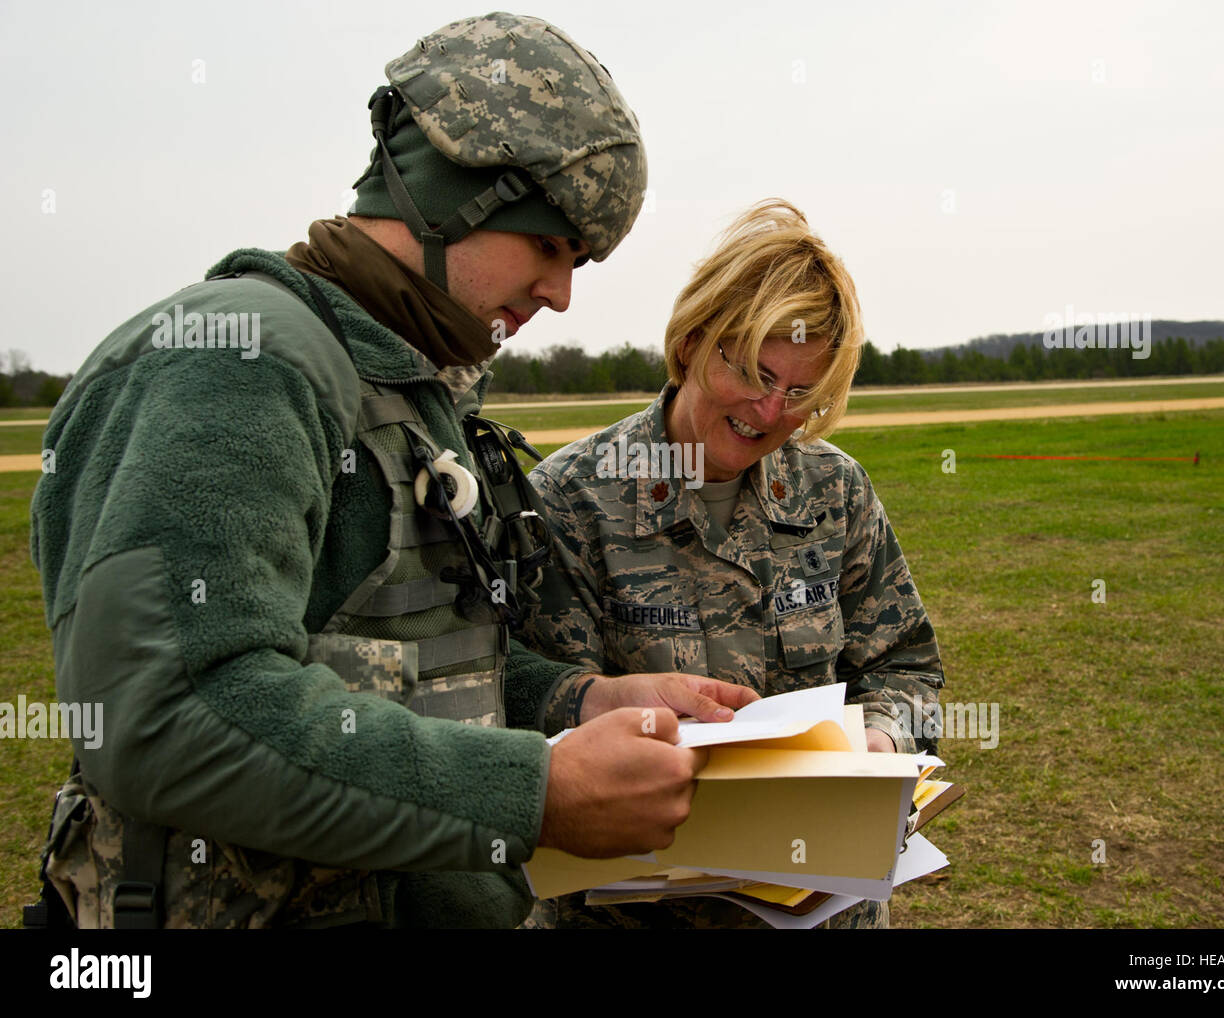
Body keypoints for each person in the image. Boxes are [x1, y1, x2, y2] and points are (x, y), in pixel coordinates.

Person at [26, 13, 756, 930]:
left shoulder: (408, 388)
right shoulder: (238, 362)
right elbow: (172, 714)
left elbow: (416, 674)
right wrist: (534, 793)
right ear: (458, 196)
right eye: (549, 246)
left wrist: (582, 698)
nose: (561, 294)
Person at [520, 199, 946, 928]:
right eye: (753, 370)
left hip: (824, 905)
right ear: (692, 341)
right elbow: (526, 705)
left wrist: (881, 742)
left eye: (801, 392)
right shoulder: (569, 499)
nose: (770, 409)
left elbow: (905, 666)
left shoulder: (835, 491)